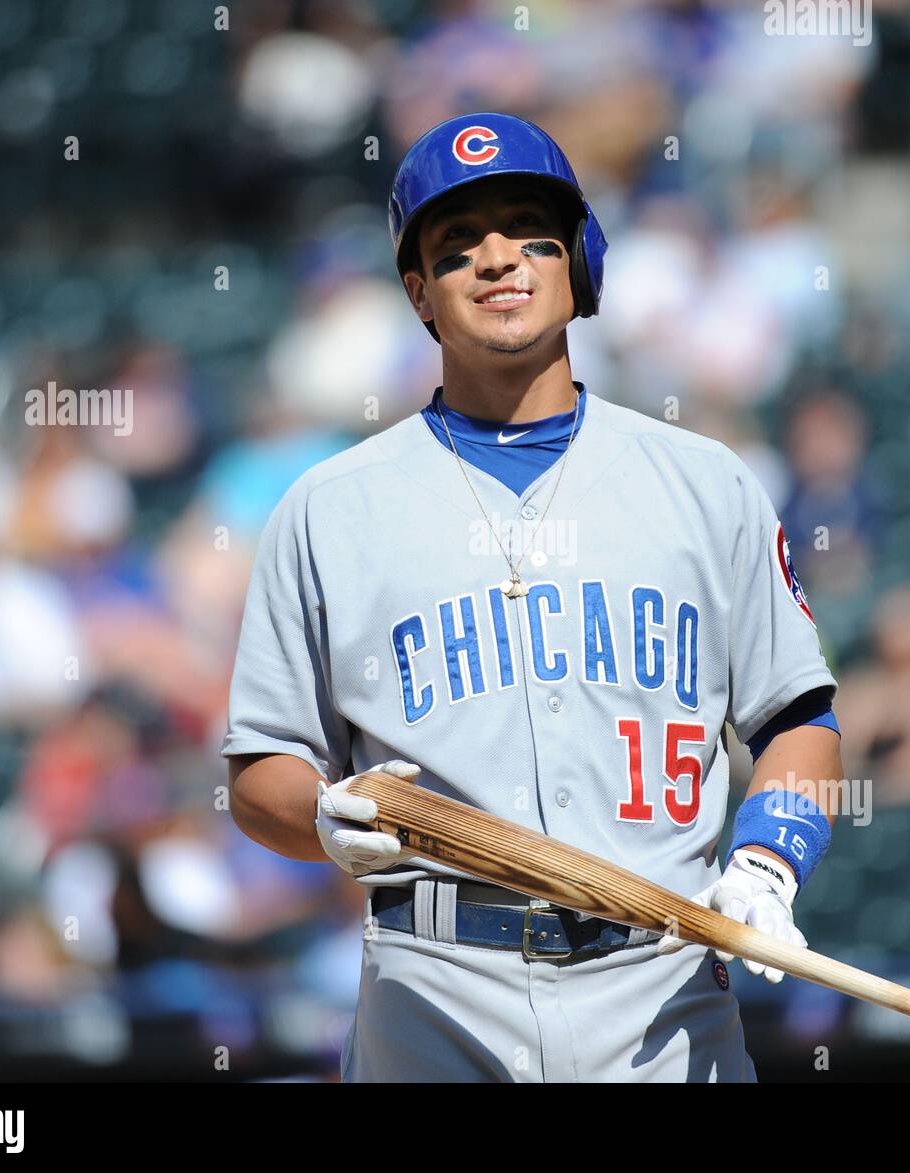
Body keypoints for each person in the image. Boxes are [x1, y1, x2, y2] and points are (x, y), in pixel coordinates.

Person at [224, 113, 845, 1082]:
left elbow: (798, 718)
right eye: (456, 244)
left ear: (579, 262)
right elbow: (259, 772)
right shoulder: (327, 508)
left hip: (665, 991)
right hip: (432, 992)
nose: (497, 258)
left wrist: (769, 858)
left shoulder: (704, 481)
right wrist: (318, 815)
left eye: (528, 229)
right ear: (417, 291)